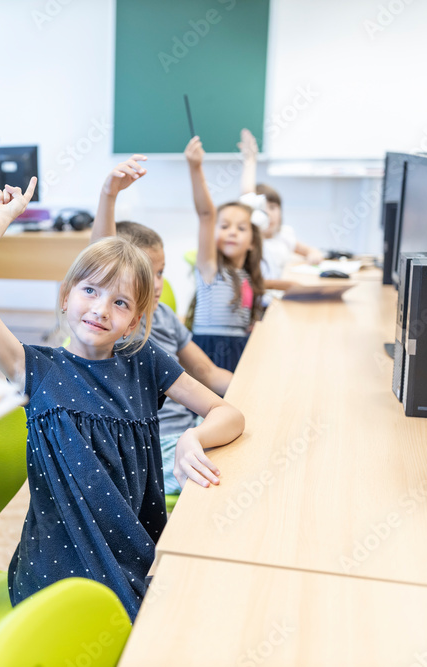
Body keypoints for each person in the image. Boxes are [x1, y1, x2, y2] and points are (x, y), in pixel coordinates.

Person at [0, 177, 245, 620]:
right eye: (90, 291)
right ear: (66, 296)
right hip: (57, 566)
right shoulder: (34, 367)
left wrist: (194, 439)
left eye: (121, 302)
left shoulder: (145, 361)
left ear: (136, 320)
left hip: (133, 549)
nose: (101, 310)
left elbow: (228, 413)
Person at [92, 156, 234, 496]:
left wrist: (257, 388)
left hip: (190, 430)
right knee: (232, 478)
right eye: (145, 273)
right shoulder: (119, 328)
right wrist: (109, 195)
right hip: (153, 446)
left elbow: (208, 372)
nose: (155, 284)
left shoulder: (167, 316)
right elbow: (100, 255)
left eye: (160, 272)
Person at [185, 135, 266, 372]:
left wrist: (250, 161)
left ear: (252, 240)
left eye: (241, 228)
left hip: (239, 348)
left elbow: (248, 206)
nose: (232, 232)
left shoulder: (246, 276)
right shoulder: (211, 269)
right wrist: (195, 167)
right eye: (224, 226)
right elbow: (206, 215)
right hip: (210, 351)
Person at [239, 128, 325, 291]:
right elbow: (247, 198)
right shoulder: (251, 239)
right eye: (262, 209)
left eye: (272, 208)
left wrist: (313, 254)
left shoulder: (284, 235)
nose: (268, 214)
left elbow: (310, 250)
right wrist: (250, 161)